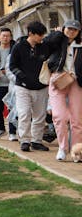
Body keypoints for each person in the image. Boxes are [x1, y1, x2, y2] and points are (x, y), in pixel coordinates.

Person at [9, 20, 50, 152]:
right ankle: (25, 140)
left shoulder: (44, 47)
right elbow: (12, 66)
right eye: (40, 35)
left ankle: (36, 141)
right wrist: (23, 77)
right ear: (31, 34)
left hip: (41, 86)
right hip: (23, 87)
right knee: (24, 113)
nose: (42, 37)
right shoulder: (19, 47)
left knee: (40, 115)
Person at [47, 19, 82, 162]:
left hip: (76, 81)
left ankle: (77, 151)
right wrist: (57, 33)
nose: (71, 31)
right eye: (69, 28)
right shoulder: (57, 41)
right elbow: (46, 45)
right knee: (59, 117)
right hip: (58, 79)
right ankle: (62, 148)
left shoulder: (80, 45)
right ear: (64, 28)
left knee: (77, 119)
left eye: (75, 29)